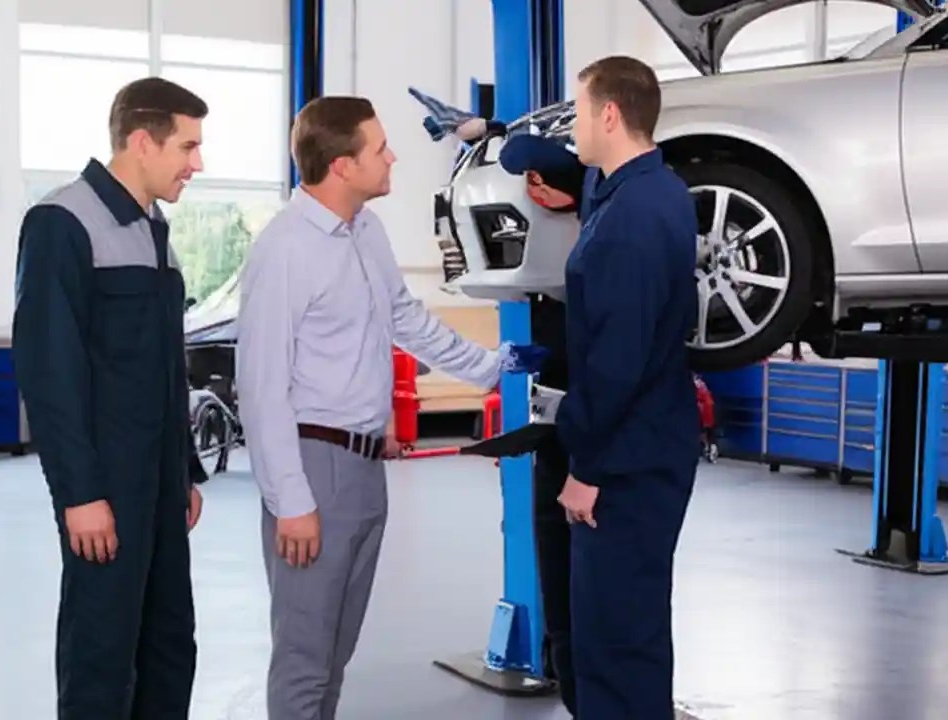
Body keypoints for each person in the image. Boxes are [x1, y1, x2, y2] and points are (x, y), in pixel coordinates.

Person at [236, 95, 540, 720]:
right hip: (313, 469)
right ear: (342, 166)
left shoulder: (365, 232)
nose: (393, 155)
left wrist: (491, 366)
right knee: (304, 657)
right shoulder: (285, 249)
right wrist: (289, 502)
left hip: (367, 466)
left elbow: (406, 319)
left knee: (335, 654)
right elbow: (261, 386)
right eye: (379, 148)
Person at [12, 76, 210, 720]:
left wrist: (182, 473)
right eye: (187, 146)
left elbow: (163, 369)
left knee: (169, 643)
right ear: (142, 142)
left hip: (158, 485)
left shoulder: (154, 230)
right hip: (105, 486)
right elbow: (49, 372)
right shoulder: (62, 222)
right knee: (102, 651)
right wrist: (79, 494)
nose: (197, 163)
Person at [553, 56, 701, 720]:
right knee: (627, 632)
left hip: (626, 462)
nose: (574, 128)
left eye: (579, 113)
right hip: (651, 445)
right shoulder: (650, 190)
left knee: (616, 645)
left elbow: (618, 359)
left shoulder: (632, 214)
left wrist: (586, 466)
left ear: (609, 114)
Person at [499, 132, 590, 717]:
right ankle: (571, 682)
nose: (533, 192)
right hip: (552, 440)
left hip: (596, 449)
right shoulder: (545, 255)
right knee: (557, 584)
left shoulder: (602, 247)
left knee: (596, 600)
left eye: (540, 180)